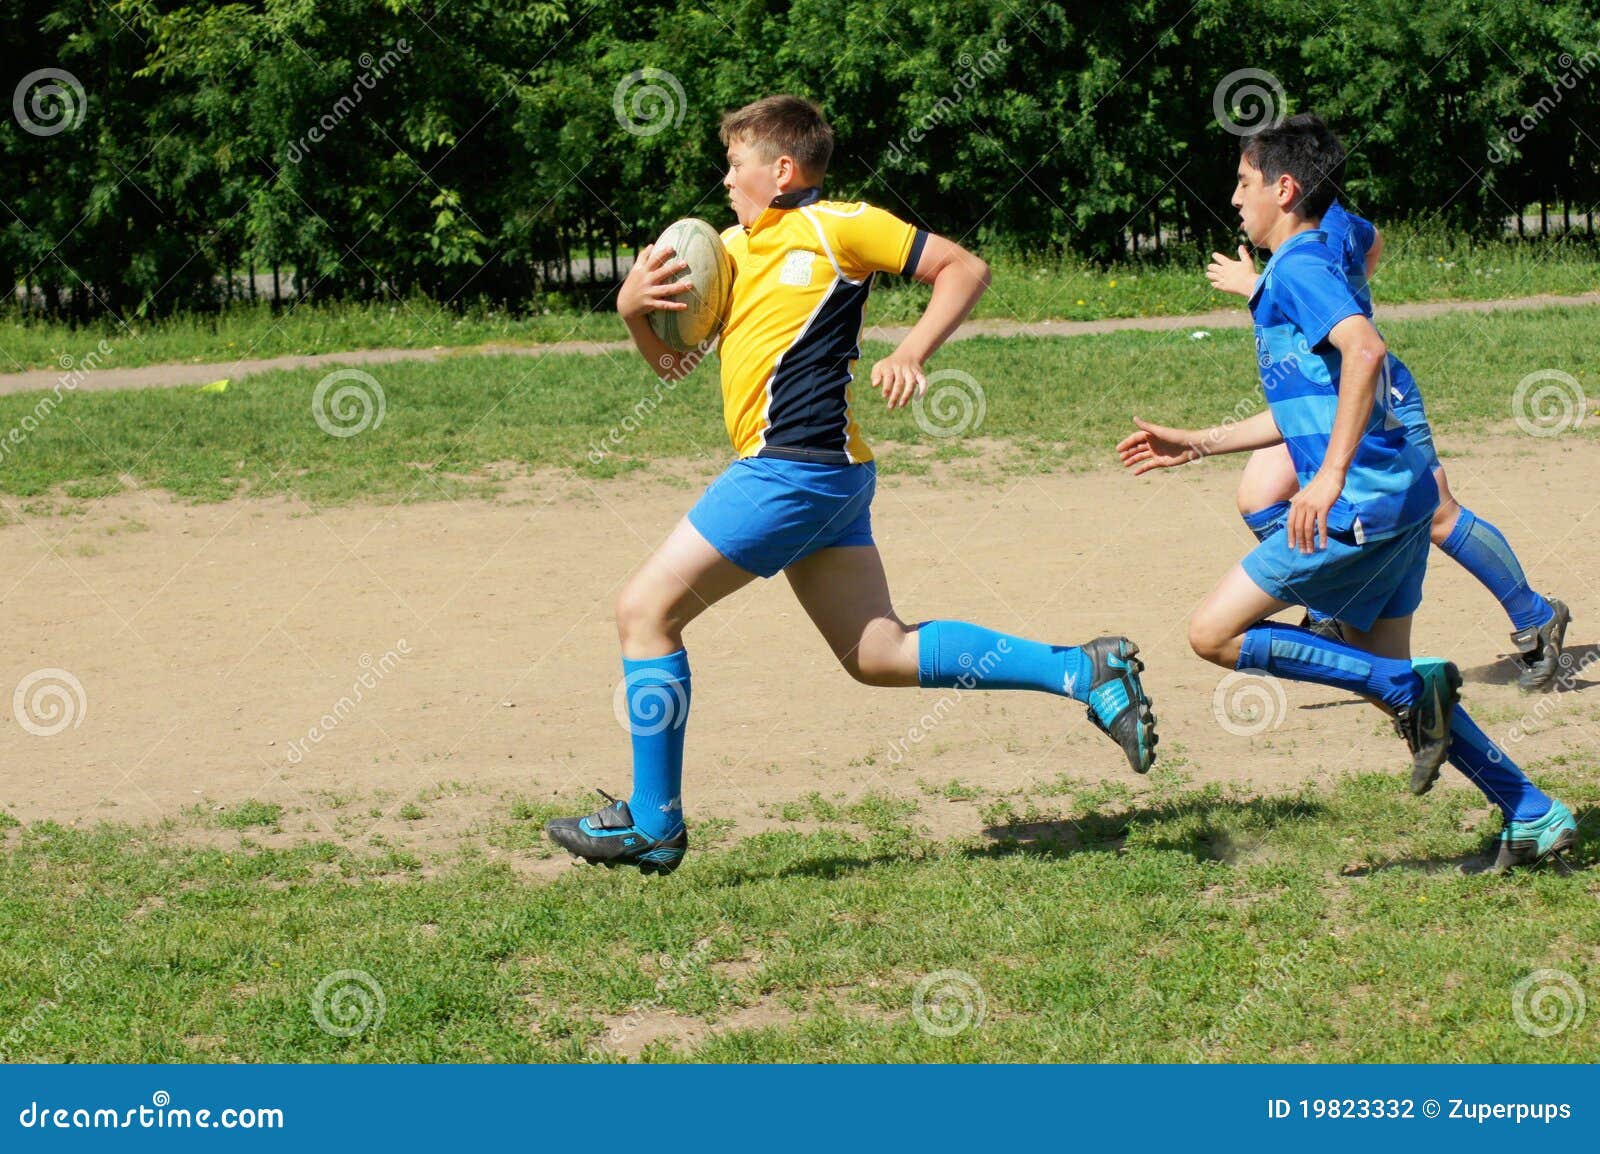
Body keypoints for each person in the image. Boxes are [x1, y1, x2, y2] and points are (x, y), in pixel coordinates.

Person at [546, 95, 1157, 876]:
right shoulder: (728, 253)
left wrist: (914, 351)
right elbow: (677, 365)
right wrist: (635, 314)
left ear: (783, 170)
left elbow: (964, 268)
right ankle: (1083, 669)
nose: (725, 179)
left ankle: (653, 824)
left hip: (789, 471)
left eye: (736, 164)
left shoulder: (841, 225)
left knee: (644, 613)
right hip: (826, 477)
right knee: (878, 651)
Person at [1118, 114, 1576, 871]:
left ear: (1284, 187)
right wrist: (1196, 441)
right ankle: (1531, 808)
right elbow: (1316, 397)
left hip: (1358, 504)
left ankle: (1418, 679)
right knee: (1384, 686)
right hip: (1399, 498)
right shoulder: (1331, 240)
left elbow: (1366, 348)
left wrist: (1326, 477)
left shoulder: (1296, 267)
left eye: (1243, 182)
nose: (1234, 200)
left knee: (1212, 634)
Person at [1206, 201, 1570, 691]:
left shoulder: (1322, 221)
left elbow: (1348, 300)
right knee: (1257, 498)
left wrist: (1263, 286)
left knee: (1436, 513)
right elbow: (1368, 248)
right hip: (1316, 397)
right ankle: (1333, 603)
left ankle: (1535, 615)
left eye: (1251, 177)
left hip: (1374, 391)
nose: (1240, 195)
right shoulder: (1309, 226)